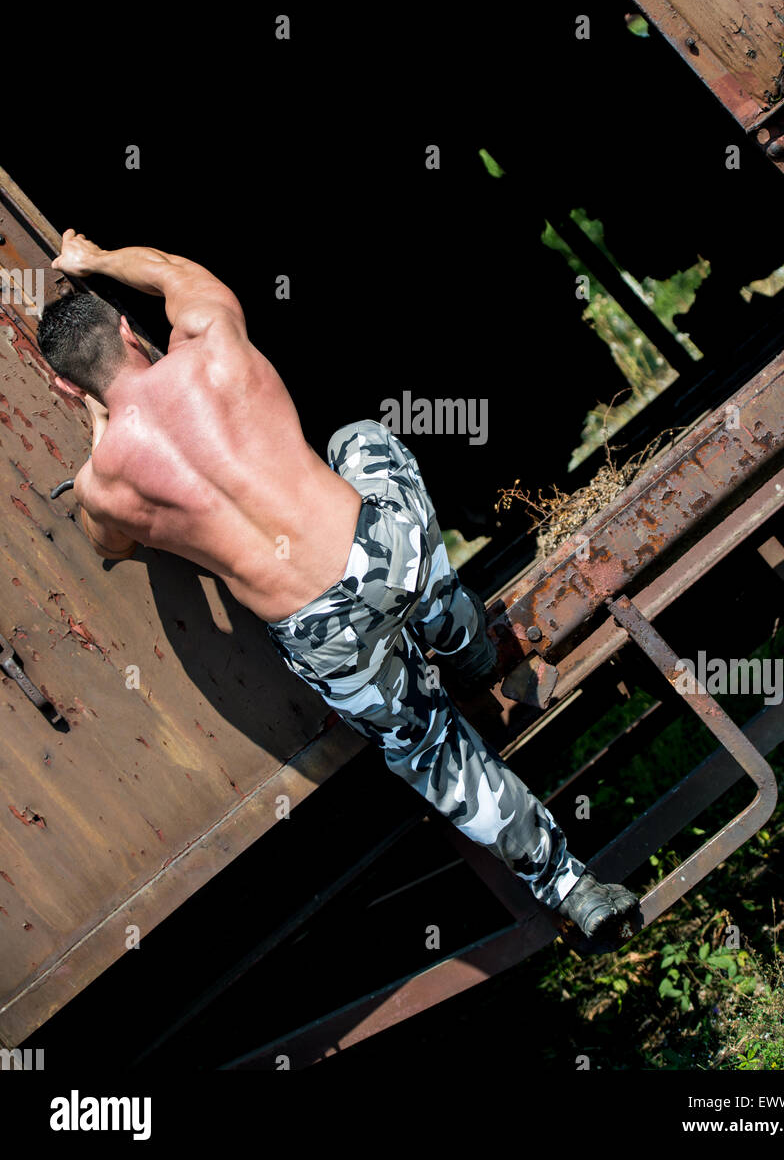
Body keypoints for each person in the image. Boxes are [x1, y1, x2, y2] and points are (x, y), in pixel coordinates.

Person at [38, 229, 639, 949]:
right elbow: (168, 271)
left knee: (433, 755)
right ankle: (462, 636)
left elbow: (109, 545)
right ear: (130, 331)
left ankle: (574, 889)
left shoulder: (105, 487)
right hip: (380, 553)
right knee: (358, 439)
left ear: (68, 386)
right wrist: (92, 261)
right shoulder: (209, 336)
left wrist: (99, 426)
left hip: (323, 635)